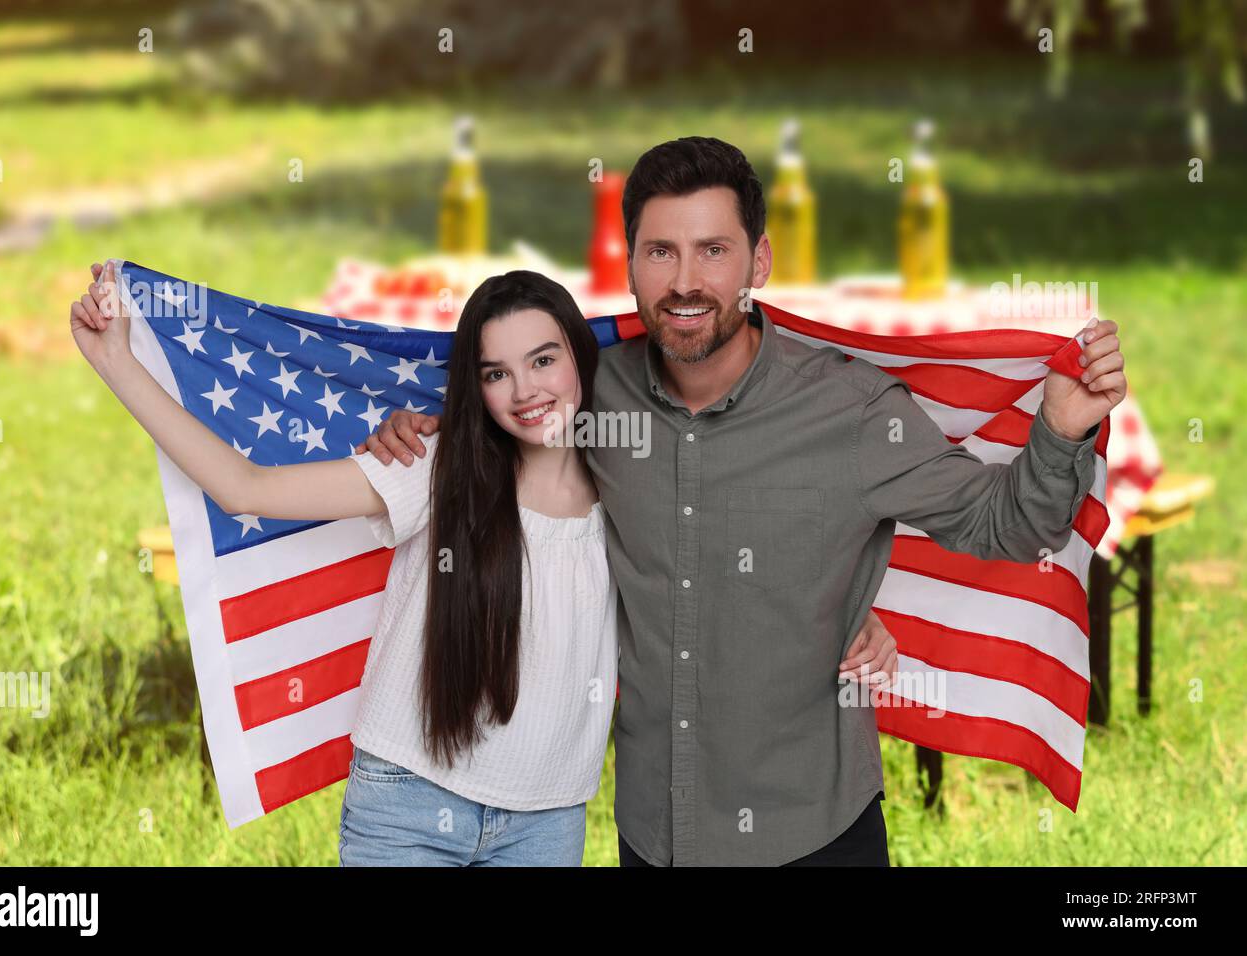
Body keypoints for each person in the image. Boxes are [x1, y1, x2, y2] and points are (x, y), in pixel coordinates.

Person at [359, 136, 1128, 866]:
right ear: (628, 266)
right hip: (655, 834)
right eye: (661, 252)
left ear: (759, 259)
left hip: (815, 833)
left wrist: (1057, 431)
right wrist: (417, 430)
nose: (685, 281)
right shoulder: (595, 396)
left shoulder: (851, 412)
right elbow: (504, 416)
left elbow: (1013, 525)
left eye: (713, 250)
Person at [70, 263, 618, 866]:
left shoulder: (632, 488)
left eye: (544, 361)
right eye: (496, 373)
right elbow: (246, 488)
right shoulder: (435, 467)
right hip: (407, 807)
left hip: (547, 822)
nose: (525, 392)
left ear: (582, 356)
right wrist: (116, 362)